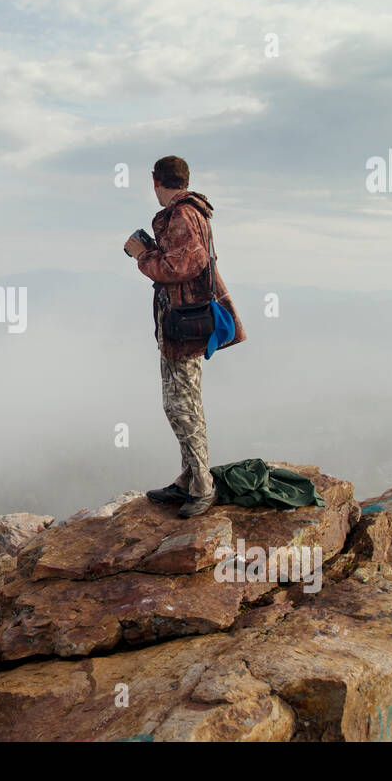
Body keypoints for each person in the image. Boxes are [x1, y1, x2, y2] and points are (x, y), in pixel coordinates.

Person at [124, 156, 246, 518]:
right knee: (185, 402)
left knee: (179, 405)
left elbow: (180, 267)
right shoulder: (193, 212)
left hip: (185, 324)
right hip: (188, 320)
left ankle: (201, 486)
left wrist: (142, 253)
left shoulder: (182, 215)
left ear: (155, 180)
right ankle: (190, 477)